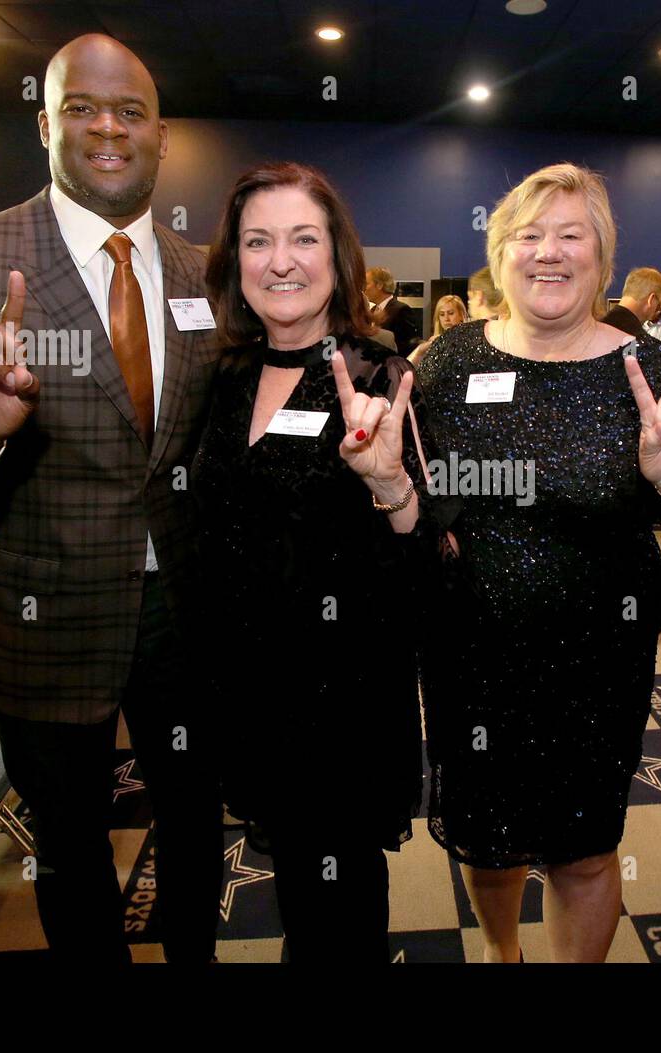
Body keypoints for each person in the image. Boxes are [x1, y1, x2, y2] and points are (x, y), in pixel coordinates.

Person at [0, 34, 224, 962]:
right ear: (45, 123)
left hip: (187, 615)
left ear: (162, 135)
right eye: (82, 108)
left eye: (131, 112)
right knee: (68, 850)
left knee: (195, 828)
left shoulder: (207, 272)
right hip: (40, 617)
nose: (108, 128)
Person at [411, 163, 661, 963]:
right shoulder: (444, 367)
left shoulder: (654, 373)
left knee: (584, 849)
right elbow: (410, 507)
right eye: (529, 235)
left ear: (602, 257)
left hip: (598, 661)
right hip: (471, 655)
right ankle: (501, 952)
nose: (549, 253)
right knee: (490, 842)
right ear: (500, 252)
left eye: (572, 235)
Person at [193, 161, 425, 962]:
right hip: (254, 695)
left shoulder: (380, 377)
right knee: (298, 893)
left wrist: (391, 483)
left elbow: (429, 559)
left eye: (303, 238)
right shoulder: (222, 379)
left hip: (346, 706)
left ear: (337, 258)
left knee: (344, 910)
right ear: (236, 263)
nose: (280, 260)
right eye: (258, 241)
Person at [364, 266, 417, 353]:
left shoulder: (401, 310)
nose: (364, 288)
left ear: (379, 285)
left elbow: (407, 346)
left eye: (367, 284)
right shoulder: (371, 311)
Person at [602, 266, 661, 338]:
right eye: (658, 306)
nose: (656, 312)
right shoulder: (637, 340)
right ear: (651, 299)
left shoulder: (598, 325)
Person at [408, 293, 467, 364]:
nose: (446, 319)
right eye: (442, 314)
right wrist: (420, 349)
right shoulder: (433, 342)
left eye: (451, 313)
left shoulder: (470, 341)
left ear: (461, 315)